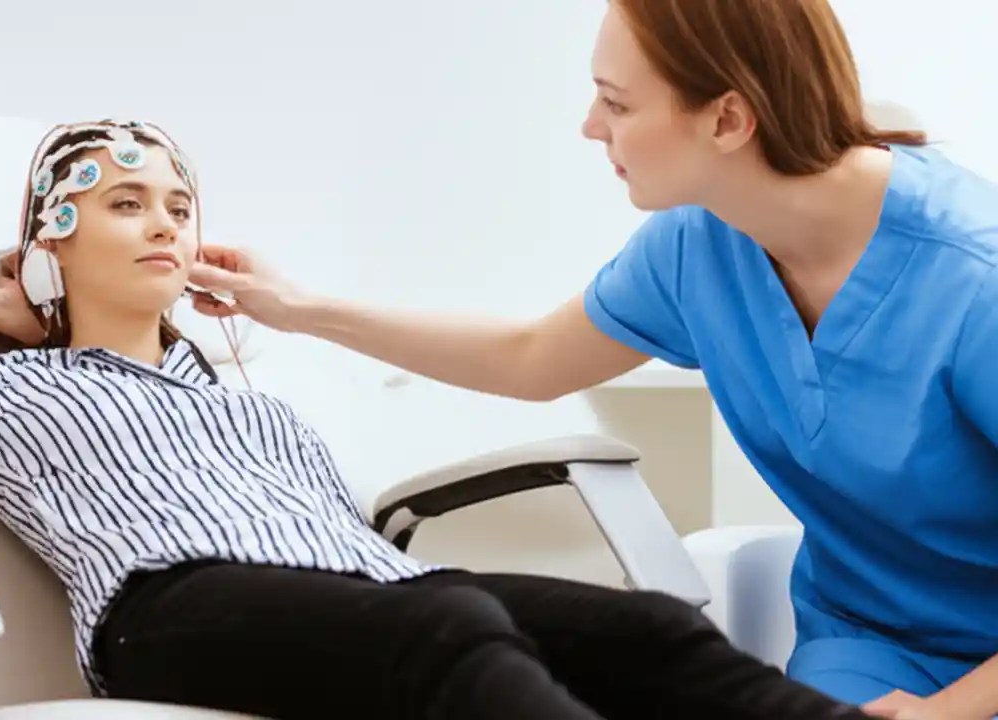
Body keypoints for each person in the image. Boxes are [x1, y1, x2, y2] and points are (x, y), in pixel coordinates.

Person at [0, 118, 873, 720]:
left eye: (178, 205)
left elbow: (356, 553)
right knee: (445, 621)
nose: (163, 220)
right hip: (167, 608)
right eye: (123, 202)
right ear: (51, 235)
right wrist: (3, 298)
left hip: (378, 592)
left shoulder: (257, 408)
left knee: (644, 627)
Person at [187, 2, 998, 719]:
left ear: (727, 120)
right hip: (869, 637)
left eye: (616, 102)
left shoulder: (973, 279)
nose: (589, 126)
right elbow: (530, 357)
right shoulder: (697, 246)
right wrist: (296, 310)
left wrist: (955, 713)